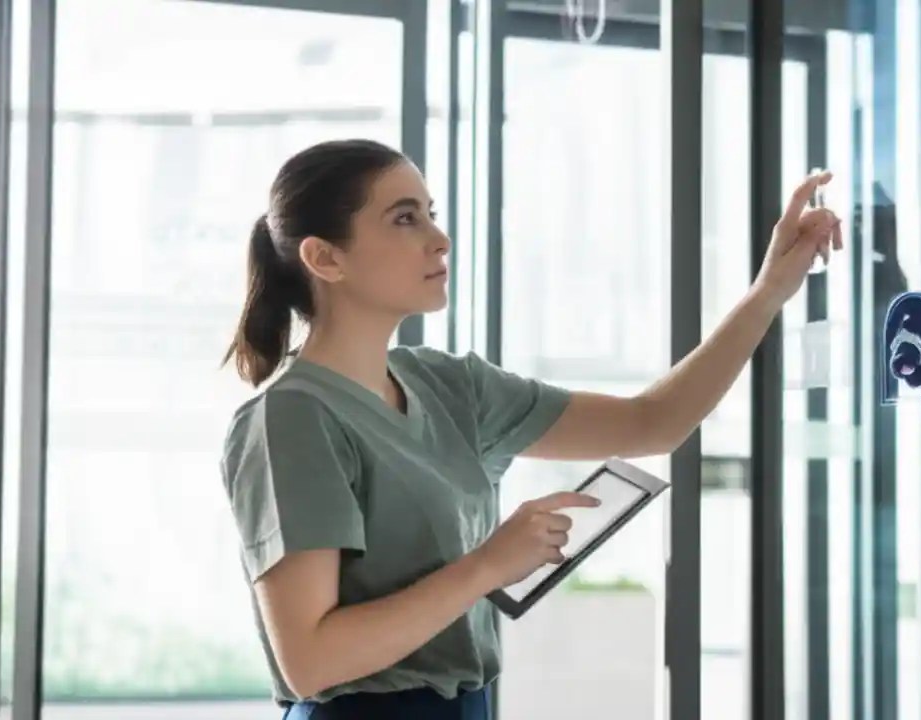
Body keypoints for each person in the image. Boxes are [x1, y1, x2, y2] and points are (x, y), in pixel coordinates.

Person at [220, 138, 841, 719]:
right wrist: (490, 563)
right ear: (325, 258)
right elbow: (311, 660)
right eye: (405, 218)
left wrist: (768, 292)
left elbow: (654, 422)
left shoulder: (452, 386)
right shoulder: (290, 419)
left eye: (431, 213)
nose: (439, 238)